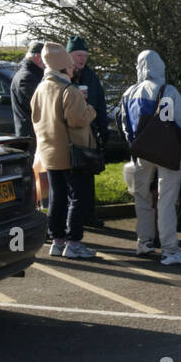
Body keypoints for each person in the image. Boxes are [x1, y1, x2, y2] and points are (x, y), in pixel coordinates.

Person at [119, 49, 181, 266]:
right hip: (167, 153)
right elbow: (180, 123)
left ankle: (144, 242)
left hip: (140, 152)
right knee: (166, 201)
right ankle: (170, 250)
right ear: (160, 66)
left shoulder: (128, 93)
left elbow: (125, 126)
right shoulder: (167, 91)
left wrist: (137, 145)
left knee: (141, 197)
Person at [30, 43, 99, 259]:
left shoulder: (41, 88)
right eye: (70, 66)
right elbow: (77, 120)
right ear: (63, 67)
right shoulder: (69, 90)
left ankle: (57, 241)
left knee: (57, 197)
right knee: (78, 198)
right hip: (72, 153)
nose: (73, 69)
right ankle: (74, 243)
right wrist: (90, 110)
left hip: (48, 152)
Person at [67, 36, 109, 228]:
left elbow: (100, 103)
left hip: (90, 132)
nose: (82, 59)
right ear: (69, 55)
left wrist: (103, 129)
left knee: (88, 175)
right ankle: (74, 220)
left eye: (85, 55)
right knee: (72, 181)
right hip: (71, 136)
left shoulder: (91, 76)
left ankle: (89, 215)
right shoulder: (65, 76)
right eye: (78, 55)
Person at [10, 40, 44, 139]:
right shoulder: (27, 77)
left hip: (33, 134)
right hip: (30, 136)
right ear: (38, 57)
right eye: (46, 57)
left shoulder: (31, 74)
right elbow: (38, 105)